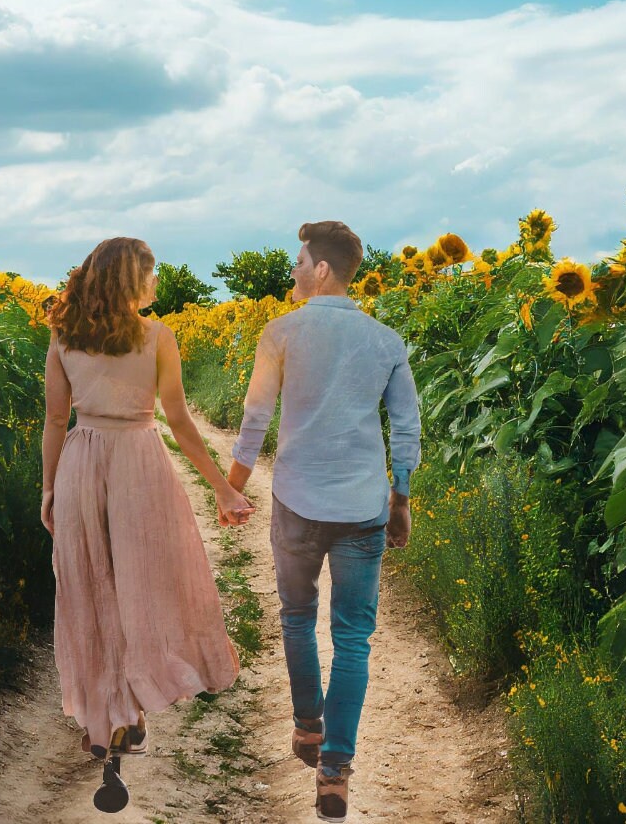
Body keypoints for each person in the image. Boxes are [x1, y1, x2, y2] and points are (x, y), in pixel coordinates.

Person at [227, 221, 420, 823]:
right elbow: (407, 431)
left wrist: (229, 489)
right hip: (363, 508)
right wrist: (401, 498)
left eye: (298, 262)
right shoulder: (386, 341)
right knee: (354, 640)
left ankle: (308, 728)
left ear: (322, 270)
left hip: (296, 501)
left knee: (295, 617)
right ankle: (335, 769)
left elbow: (256, 418)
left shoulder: (281, 332)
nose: (292, 271)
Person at [41, 237, 255, 770]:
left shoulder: (63, 336)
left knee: (91, 586)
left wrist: (47, 488)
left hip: (82, 460)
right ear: (128, 279)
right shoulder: (157, 336)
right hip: (138, 458)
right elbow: (178, 420)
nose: (156, 280)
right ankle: (130, 710)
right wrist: (221, 488)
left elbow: (54, 420)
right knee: (141, 583)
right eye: (150, 271)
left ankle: (108, 717)